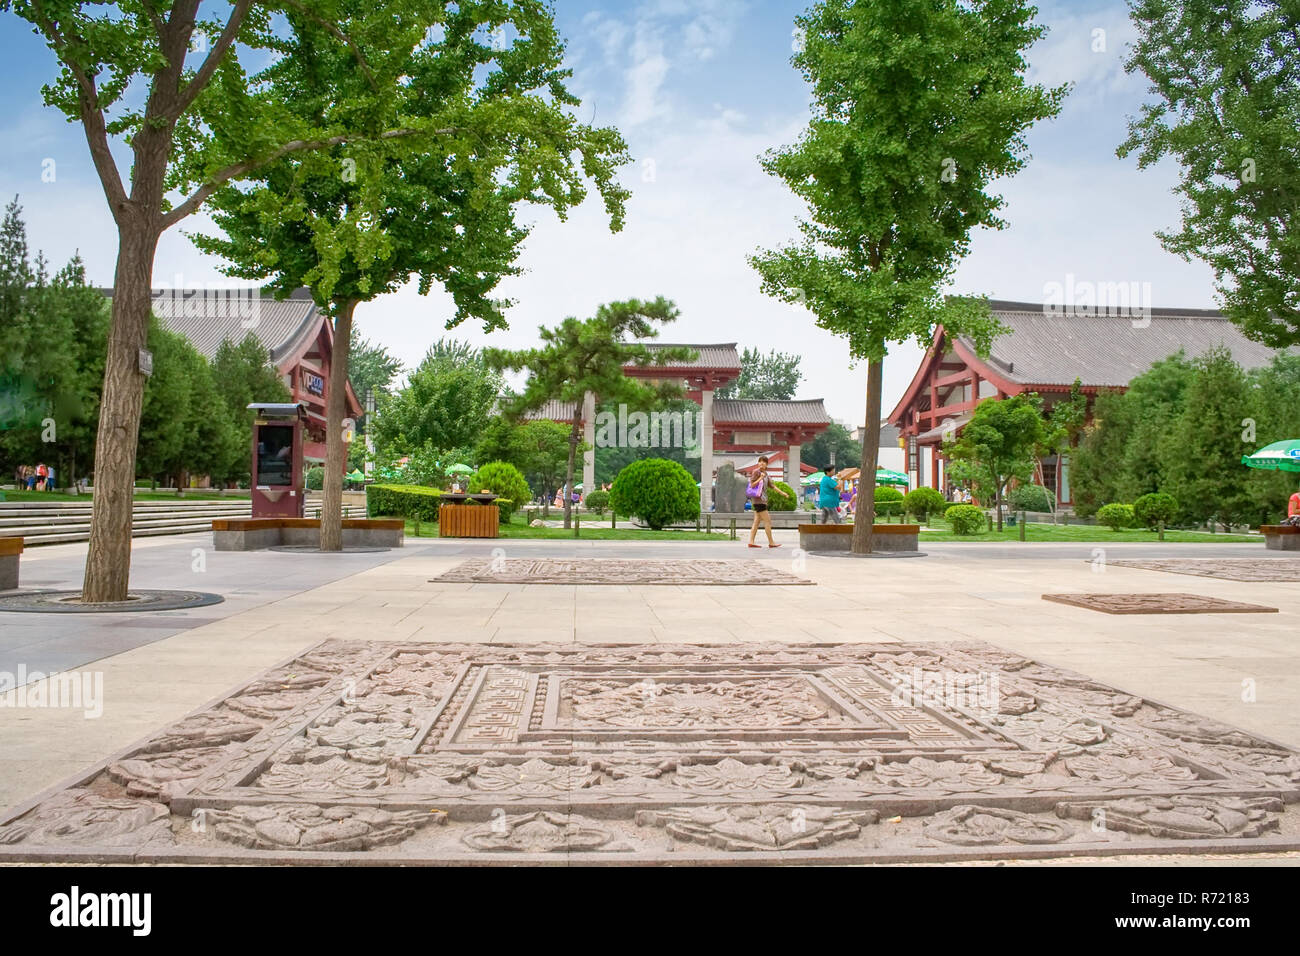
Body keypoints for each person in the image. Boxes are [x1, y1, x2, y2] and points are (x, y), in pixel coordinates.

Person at [745, 456, 780, 548]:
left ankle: (751, 541)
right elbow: (752, 485)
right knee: (767, 521)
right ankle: (771, 542)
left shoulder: (766, 474)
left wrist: (782, 493)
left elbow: (772, 485)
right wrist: (760, 478)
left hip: (763, 500)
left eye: (764, 462)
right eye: (760, 462)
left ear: (766, 465)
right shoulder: (756, 472)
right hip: (758, 500)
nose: (761, 463)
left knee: (756, 522)